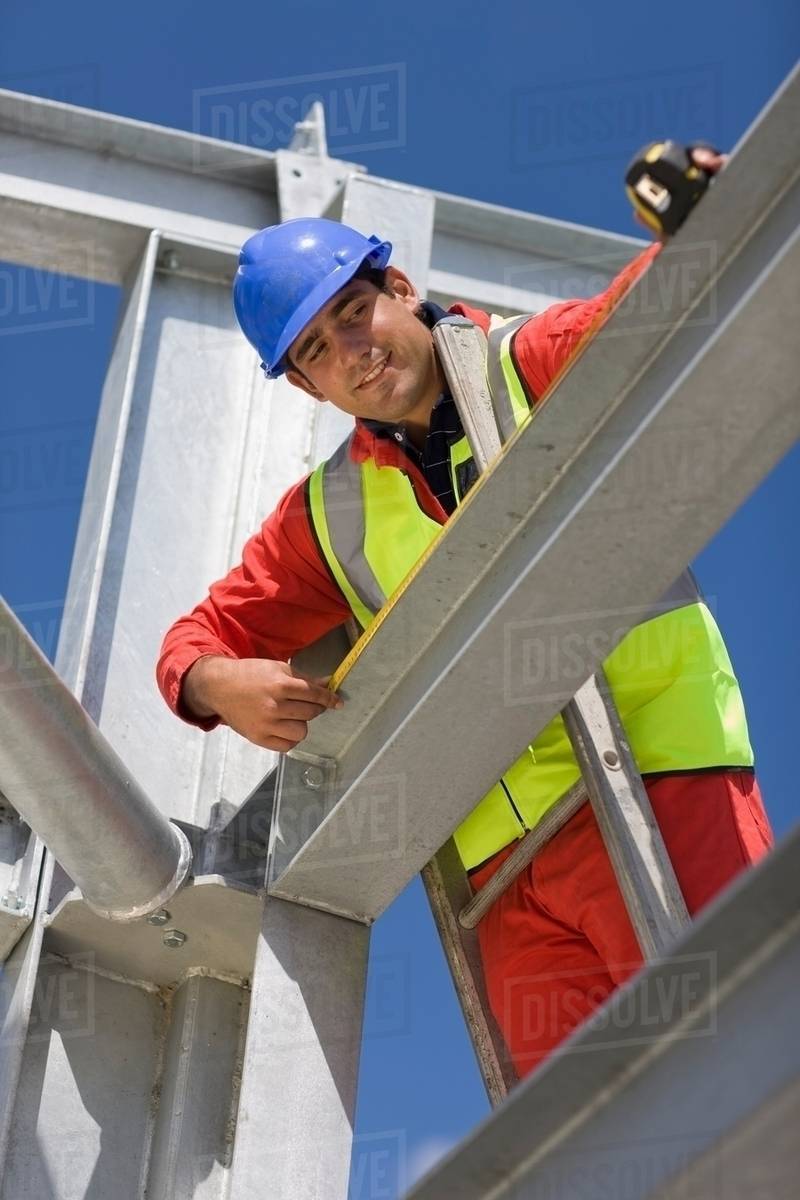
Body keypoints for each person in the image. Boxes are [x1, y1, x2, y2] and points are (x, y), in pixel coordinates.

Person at [157, 146, 774, 1079]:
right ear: (307, 388)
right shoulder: (328, 516)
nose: (352, 352)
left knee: (754, 1062)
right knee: (590, 1140)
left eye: (353, 311)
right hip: (503, 873)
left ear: (401, 289)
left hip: (658, 776)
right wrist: (212, 683)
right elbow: (195, 641)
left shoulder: (529, 362)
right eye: (316, 350)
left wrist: (707, 219)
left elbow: (646, 312)